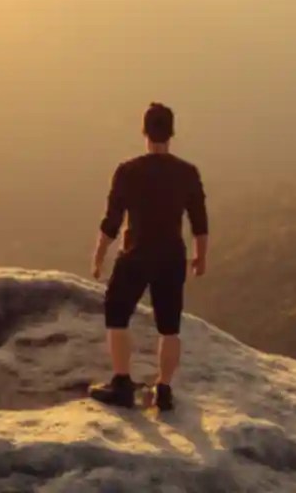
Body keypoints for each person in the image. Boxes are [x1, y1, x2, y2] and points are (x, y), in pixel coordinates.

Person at [88, 102, 209, 411]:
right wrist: (200, 258)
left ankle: (122, 383)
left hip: (136, 255)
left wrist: (99, 256)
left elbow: (112, 221)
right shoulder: (187, 172)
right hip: (171, 256)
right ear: (171, 132)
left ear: (144, 131)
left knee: (117, 314)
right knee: (169, 326)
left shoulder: (128, 171)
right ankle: (164, 389)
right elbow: (199, 222)